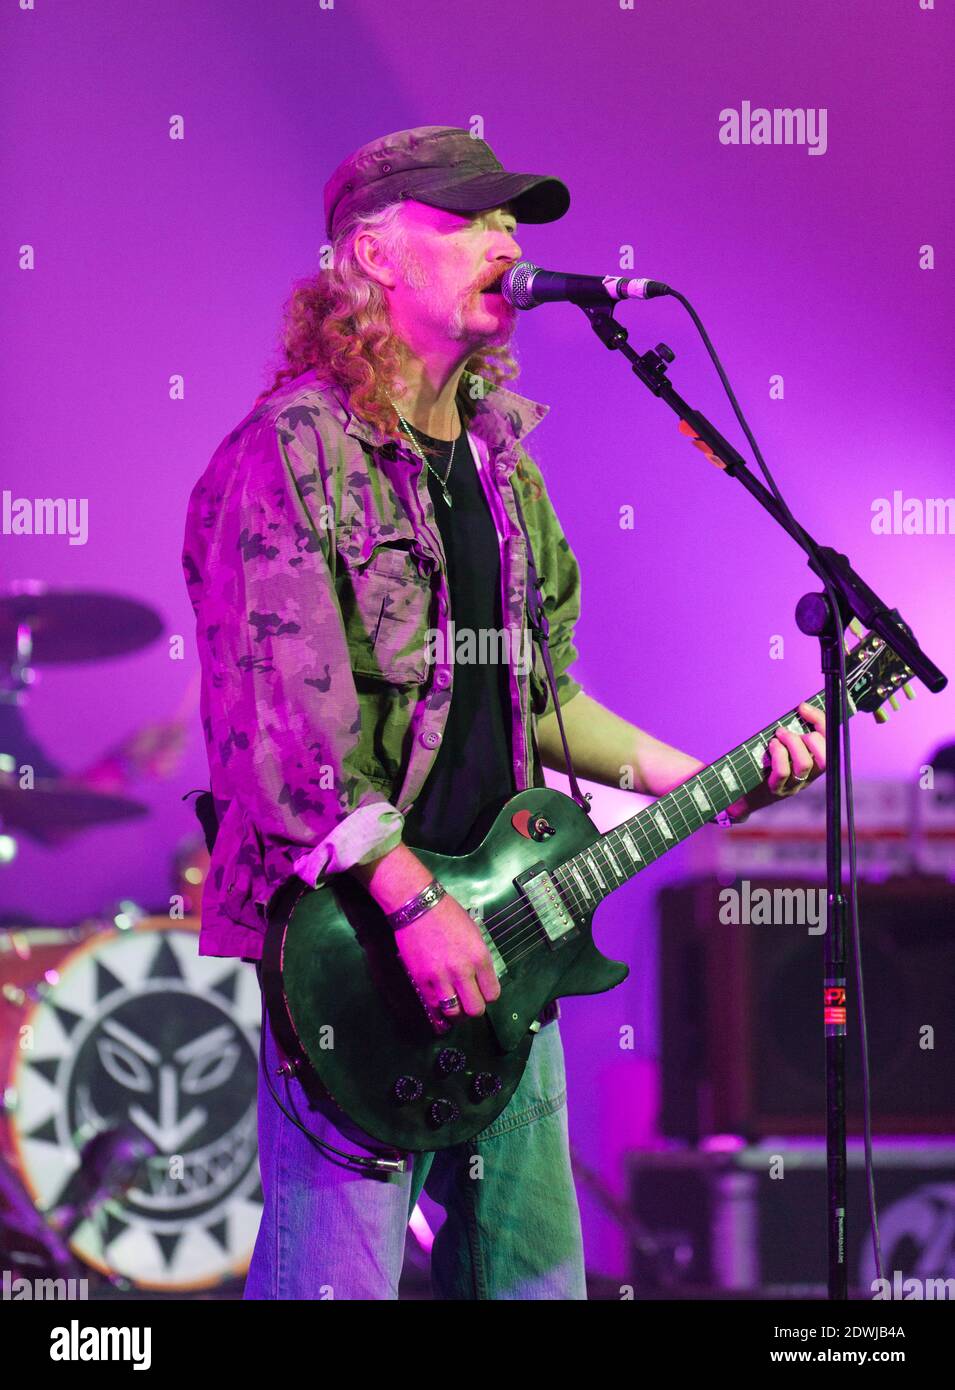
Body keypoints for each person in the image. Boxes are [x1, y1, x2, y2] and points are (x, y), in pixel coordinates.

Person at [181, 125, 827, 1300]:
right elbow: (287, 732)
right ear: (374, 255)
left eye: (513, 220)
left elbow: (546, 700)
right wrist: (413, 903)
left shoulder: (500, 468)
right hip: (362, 957)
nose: (509, 241)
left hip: (508, 950)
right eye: (472, 217)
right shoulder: (289, 453)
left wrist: (708, 776)